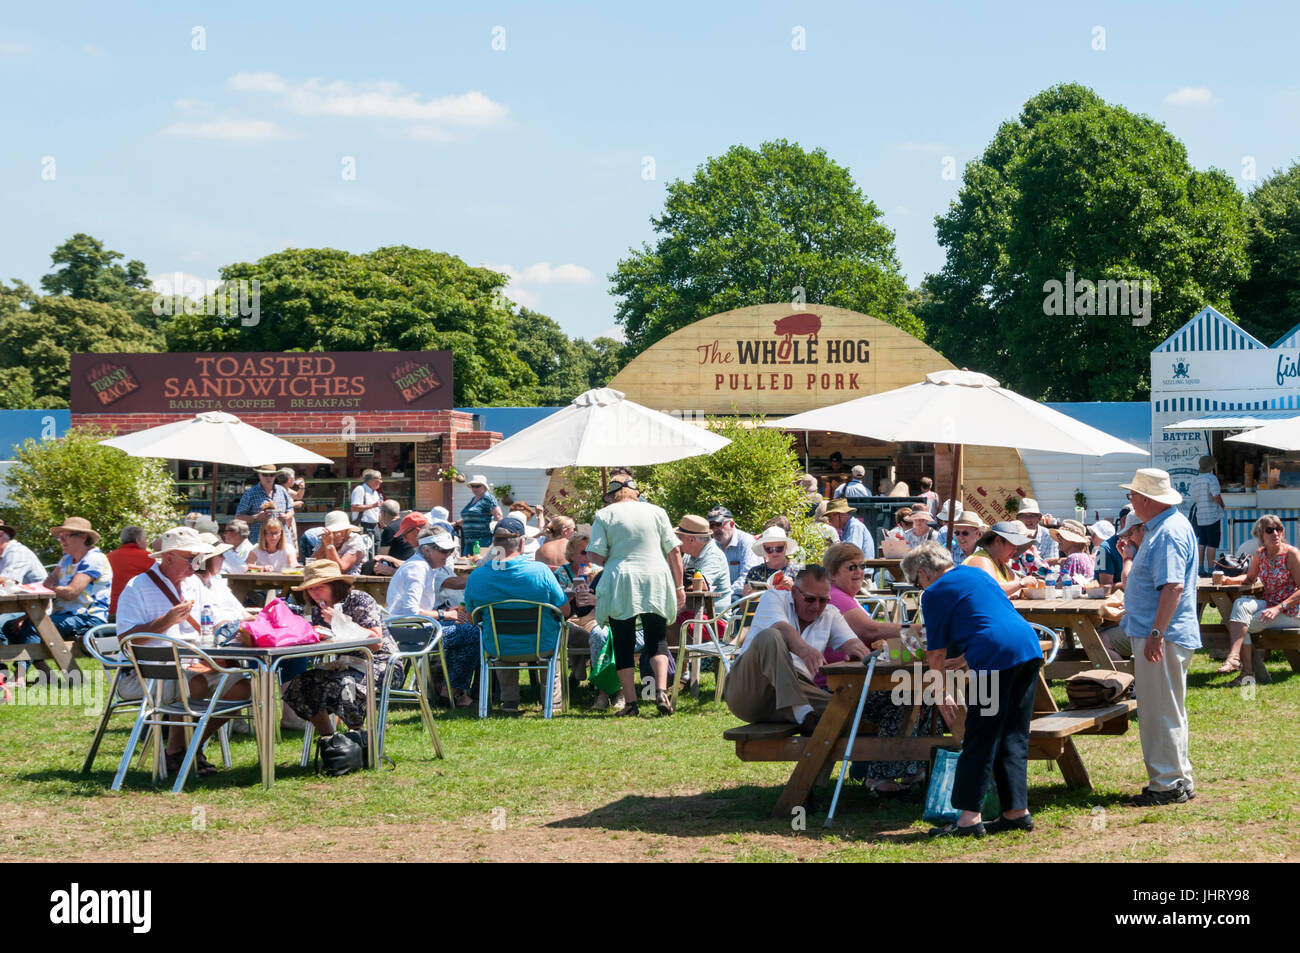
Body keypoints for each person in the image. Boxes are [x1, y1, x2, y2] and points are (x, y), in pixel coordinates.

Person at [902, 541, 1044, 837]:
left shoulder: (934, 593)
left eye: (915, 581)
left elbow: (936, 653)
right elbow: (987, 616)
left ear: (924, 573)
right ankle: (1017, 811)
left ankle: (968, 819)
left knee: (980, 735)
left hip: (997, 657)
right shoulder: (978, 573)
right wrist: (967, 656)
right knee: (1014, 733)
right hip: (1028, 647)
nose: (918, 587)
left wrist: (941, 692)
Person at [115, 527, 249, 777]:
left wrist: (226, 628)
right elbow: (125, 640)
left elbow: (207, 622)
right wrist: (164, 622)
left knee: (241, 688)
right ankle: (178, 752)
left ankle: (189, 749)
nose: (196, 565)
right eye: (191, 559)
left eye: (199, 559)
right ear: (168, 558)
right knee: (193, 682)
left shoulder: (192, 585)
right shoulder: (137, 587)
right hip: (147, 674)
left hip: (192, 664)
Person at [1119, 468, 1200, 806]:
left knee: (1158, 711)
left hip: (1161, 634)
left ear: (1147, 499)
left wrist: (1156, 632)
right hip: (1164, 632)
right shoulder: (1166, 527)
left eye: (1134, 495)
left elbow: (1173, 586)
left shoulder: (1167, 531)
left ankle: (1166, 784)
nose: (1131, 500)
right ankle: (1177, 777)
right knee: (1167, 708)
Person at [723, 565, 870, 733]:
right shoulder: (774, 597)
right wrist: (805, 650)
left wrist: (856, 651)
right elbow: (781, 627)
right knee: (770, 636)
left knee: (855, 715)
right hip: (750, 690)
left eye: (823, 600)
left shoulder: (830, 613)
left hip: (796, 691)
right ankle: (804, 714)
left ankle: (803, 714)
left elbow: (851, 642)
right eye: (809, 599)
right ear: (794, 593)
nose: (816, 606)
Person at [821, 543, 918, 793]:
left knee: (916, 693)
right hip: (834, 689)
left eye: (862, 566)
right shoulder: (836, 597)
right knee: (904, 695)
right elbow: (870, 630)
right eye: (851, 567)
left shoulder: (846, 597)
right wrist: (915, 630)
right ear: (832, 573)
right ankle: (880, 775)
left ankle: (911, 767)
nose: (859, 572)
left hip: (852, 682)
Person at [589, 480, 685, 716]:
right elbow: (674, 551)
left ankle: (631, 704)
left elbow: (595, 556)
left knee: (623, 643)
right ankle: (661, 691)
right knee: (657, 639)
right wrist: (680, 586)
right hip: (656, 577)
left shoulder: (604, 514)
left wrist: (614, 554)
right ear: (636, 494)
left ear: (612, 496)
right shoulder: (657, 511)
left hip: (622, 580)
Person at [282, 560, 398, 741]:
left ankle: (358, 738)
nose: (314, 593)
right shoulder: (317, 609)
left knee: (343, 684)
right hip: (344, 663)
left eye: (318, 587)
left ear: (335, 585)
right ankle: (330, 740)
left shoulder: (359, 599)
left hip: (380, 662)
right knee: (301, 684)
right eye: (310, 589)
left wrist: (340, 620)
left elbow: (376, 641)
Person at [464, 516, 569, 716]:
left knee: (497, 636)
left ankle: (509, 701)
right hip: (541, 645)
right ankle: (552, 703)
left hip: (499, 647)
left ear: (495, 545)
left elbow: (472, 618)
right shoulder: (541, 572)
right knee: (554, 637)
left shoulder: (477, 576)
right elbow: (564, 611)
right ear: (522, 542)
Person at [1, 517, 112, 683]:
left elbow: (72, 592)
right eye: (59, 537)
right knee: (12, 627)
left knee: (33, 627)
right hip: (64, 615)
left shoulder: (94, 559)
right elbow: (47, 585)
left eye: (65, 536)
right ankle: (45, 675)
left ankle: (20, 677)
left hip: (87, 617)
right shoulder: (66, 559)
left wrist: (54, 587)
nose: (61, 541)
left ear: (82, 537)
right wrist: (25, 616)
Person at [385, 529, 477, 707]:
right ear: (427, 550)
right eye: (443, 551)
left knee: (465, 630)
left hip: (409, 628)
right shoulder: (418, 568)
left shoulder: (421, 565)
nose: (448, 555)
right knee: (472, 633)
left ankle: (448, 690)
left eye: (450, 551)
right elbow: (411, 610)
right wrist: (445, 614)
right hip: (407, 632)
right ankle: (452, 691)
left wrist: (447, 613)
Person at [1218, 514, 1300, 686]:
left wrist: (1279, 607)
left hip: (1291, 611)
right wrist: (1227, 580)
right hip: (1270, 605)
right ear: (1261, 534)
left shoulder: (1291, 554)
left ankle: (1246, 673)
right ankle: (1234, 658)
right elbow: (1249, 579)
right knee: (1240, 605)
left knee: (1242, 626)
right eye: (1270, 530)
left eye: (1279, 529)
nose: (1276, 533)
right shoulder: (1260, 554)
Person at [554, 534, 617, 709]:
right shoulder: (561, 573)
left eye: (591, 552)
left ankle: (581, 674)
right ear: (571, 554)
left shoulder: (597, 571)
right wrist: (575, 591)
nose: (588, 557)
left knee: (595, 633)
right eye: (583, 552)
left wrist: (592, 584)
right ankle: (580, 672)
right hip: (571, 617)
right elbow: (559, 601)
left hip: (592, 617)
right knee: (578, 634)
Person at [707, 506, 760, 601]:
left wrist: (724, 593)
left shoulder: (747, 542)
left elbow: (748, 579)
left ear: (732, 524)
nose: (715, 529)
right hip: (717, 596)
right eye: (711, 525)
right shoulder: (711, 545)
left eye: (718, 524)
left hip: (740, 596)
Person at [963, 522, 1029, 597]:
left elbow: (1021, 588)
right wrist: (1021, 583)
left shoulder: (1002, 565)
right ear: (998, 540)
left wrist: (1018, 587)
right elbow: (992, 589)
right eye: (1013, 545)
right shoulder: (981, 559)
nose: (1015, 551)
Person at [234, 464, 294, 545]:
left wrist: (286, 516)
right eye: (265, 475)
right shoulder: (250, 493)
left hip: (282, 540)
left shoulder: (282, 490)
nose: (268, 478)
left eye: (272, 475)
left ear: (275, 476)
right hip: (259, 541)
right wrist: (256, 517)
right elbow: (238, 517)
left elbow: (290, 510)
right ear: (259, 475)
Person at [106, 526, 155, 616]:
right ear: (138, 540)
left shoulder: (108, 557)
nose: (146, 542)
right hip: (136, 612)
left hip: (110, 610)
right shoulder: (149, 558)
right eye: (145, 539)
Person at [1189, 455, 1226, 574]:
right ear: (1211, 466)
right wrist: (1222, 504)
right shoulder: (1211, 478)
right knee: (1212, 543)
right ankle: (1211, 568)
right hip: (1212, 515)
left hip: (1200, 516)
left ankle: (1200, 568)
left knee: (1202, 542)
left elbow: (1194, 498)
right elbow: (1215, 495)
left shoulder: (1196, 479)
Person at [744, 526, 801, 592]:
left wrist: (792, 587)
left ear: (786, 547)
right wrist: (751, 593)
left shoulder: (798, 571)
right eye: (769, 549)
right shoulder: (754, 572)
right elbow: (744, 601)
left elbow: (808, 599)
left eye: (779, 548)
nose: (774, 553)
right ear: (764, 549)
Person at [457, 475, 502, 554]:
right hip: (469, 541)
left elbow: (498, 516)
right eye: (472, 486)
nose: (474, 488)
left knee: (479, 565)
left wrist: (498, 536)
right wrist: (454, 523)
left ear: (484, 487)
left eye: (477, 486)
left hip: (482, 541)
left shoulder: (487, 498)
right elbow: (470, 518)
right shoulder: (474, 499)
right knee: (468, 564)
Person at [372, 511, 425, 576]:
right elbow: (414, 564)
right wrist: (394, 560)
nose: (404, 540)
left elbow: (419, 573)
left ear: (416, 532)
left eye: (405, 535)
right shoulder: (423, 547)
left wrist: (392, 571)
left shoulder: (430, 549)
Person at [315, 510, 368, 575]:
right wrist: (325, 545)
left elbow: (340, 569)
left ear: (347, 530)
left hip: (351, 581)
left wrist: (330, 546)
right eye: (334, 531)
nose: (338, 533)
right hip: (324, 579)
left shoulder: (355, 540)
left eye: (341, 530)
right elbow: (312, 563)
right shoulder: (325, 538)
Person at [1016, 499, 1059, 563]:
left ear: (1039, 518)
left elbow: (1053, 567)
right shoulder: (1014, 536)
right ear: (1018, 519)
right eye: (1024, 516)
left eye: (1032, 515)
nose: (1028, 520)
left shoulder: (1049, 536)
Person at [350, 469, 385, 547]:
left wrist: (383, 526)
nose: (381, 481)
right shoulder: (360, 489)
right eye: (379, 479)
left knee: (376, 548)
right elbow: (354, 508)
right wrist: (373, 505)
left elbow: (377, 511)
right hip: (363, 525)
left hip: (375, 526)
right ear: (372, 480)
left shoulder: (375, 492)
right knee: (367, 551)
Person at [1090, 520, 1120, 587]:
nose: (1091, 539)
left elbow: (1105, 585)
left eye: (1093, 536)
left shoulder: (1103, 550)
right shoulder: (1118, 547)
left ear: (1101, 536)